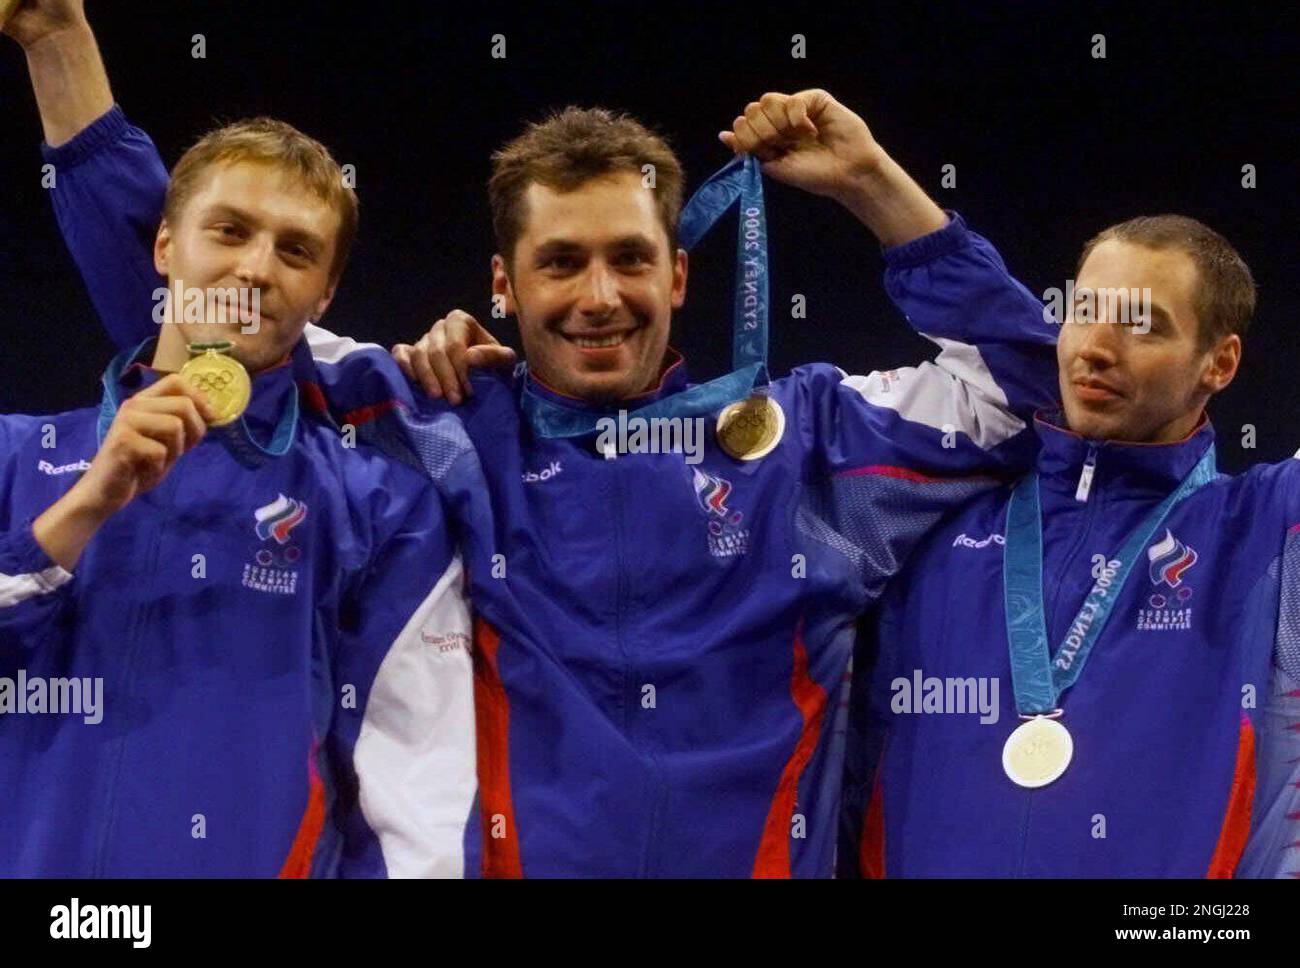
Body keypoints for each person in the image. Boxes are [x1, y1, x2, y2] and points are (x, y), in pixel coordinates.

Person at [14, 3, 1062, 876]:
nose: (599, 297)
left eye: (629, 259)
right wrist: (58, 41)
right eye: (560, 262)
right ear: (504, 287)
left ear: (680, 275)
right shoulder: (436, 417)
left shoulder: (814, 441)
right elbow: (205, 300)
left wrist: (872, 183)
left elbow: (1033, 388)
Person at [1, 4, 476, 877]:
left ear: (324, 296)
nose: (255, 269)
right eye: (229, 231)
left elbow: (424, 793)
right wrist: (79, 512)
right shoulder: (16, 458)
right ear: (163, 246)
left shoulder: (378, 504)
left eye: (295, 251)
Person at [841, 214, 1300, 877]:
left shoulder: (1262, 527)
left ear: (1219, 363)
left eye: (1141, 324)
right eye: (1083, 312)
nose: (1095, 348)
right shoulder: (936, 515)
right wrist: (873, 189)